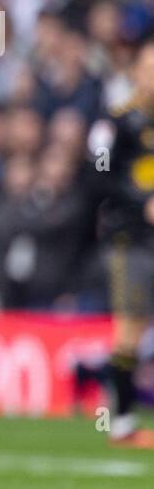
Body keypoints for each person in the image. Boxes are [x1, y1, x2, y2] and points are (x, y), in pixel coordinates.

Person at [87, 41, 154, 449]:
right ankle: (123, 423)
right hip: (131, 240)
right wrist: (142, 201)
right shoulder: (118, 123)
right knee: (129, 327)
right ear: (137, 73)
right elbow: (98, 176)